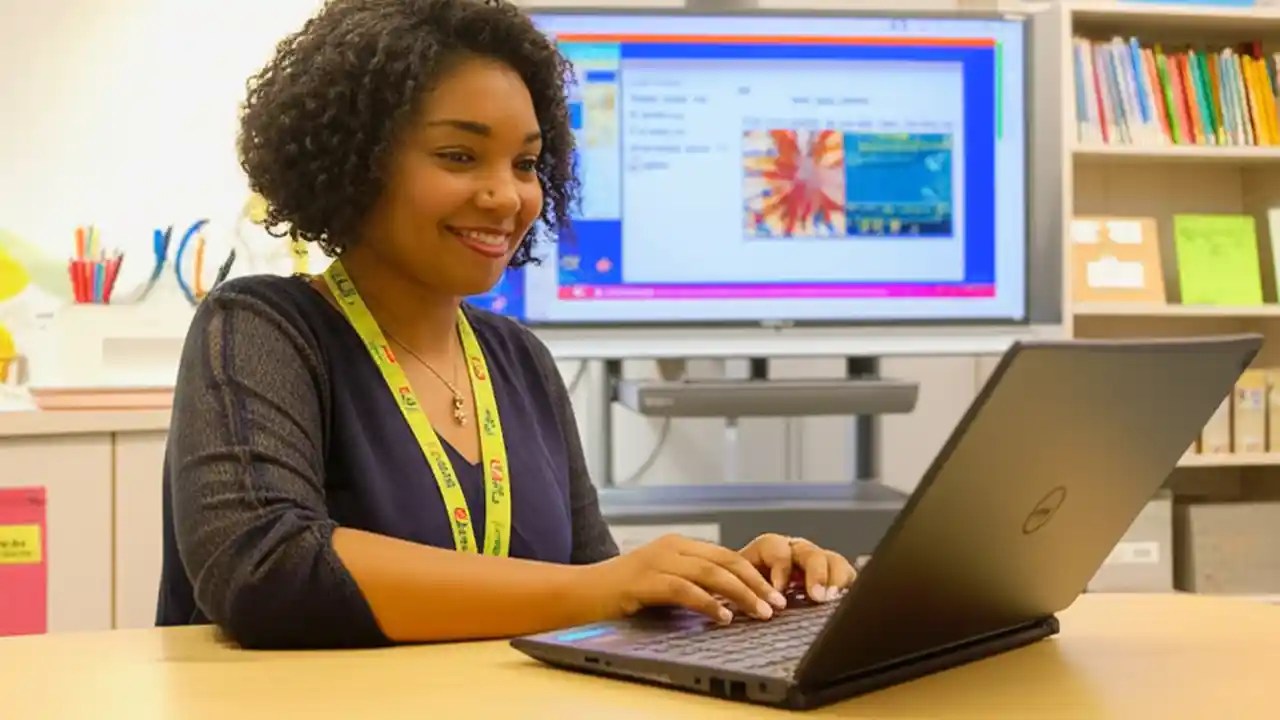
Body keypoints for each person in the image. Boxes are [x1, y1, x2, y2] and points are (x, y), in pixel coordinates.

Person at [156, 0, 857, 650]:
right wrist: (599, 587)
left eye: (526, 163)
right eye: (460, 155)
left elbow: (594, 599)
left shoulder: (518, 360)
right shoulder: (260, 328)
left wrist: (729, 589)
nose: (506, 196)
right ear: (354, 166)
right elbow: (264, 566)